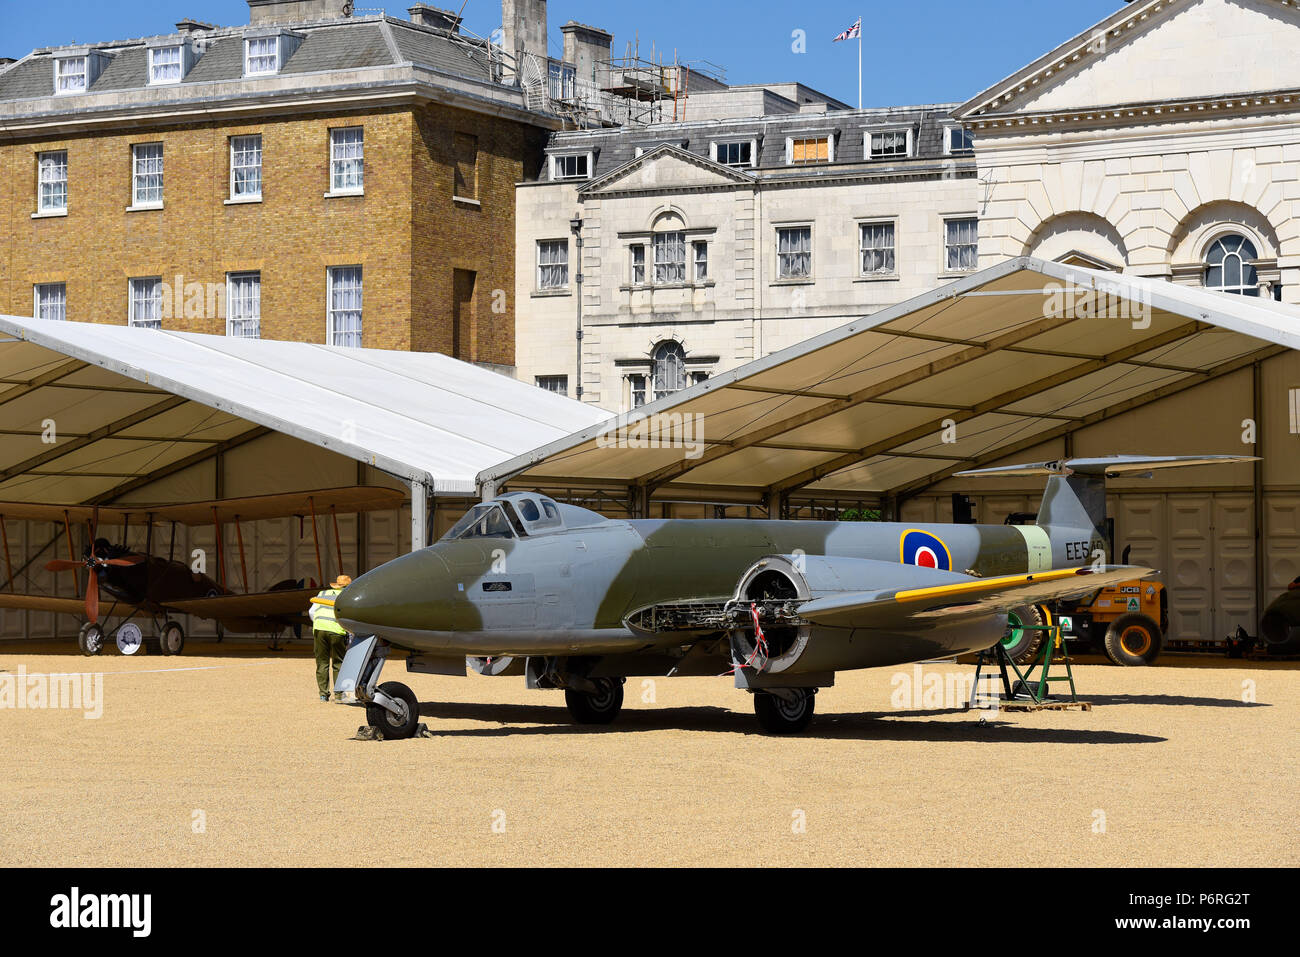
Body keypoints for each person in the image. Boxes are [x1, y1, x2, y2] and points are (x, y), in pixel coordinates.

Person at [310, 575, 352, 702]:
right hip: (336, 631)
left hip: (319, 629)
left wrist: (320, 623)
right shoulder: (347, 596)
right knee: (338, 663)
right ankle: (339, 695)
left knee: (322, 663)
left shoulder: (322, 593)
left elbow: (312, 612)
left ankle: (323, 694)